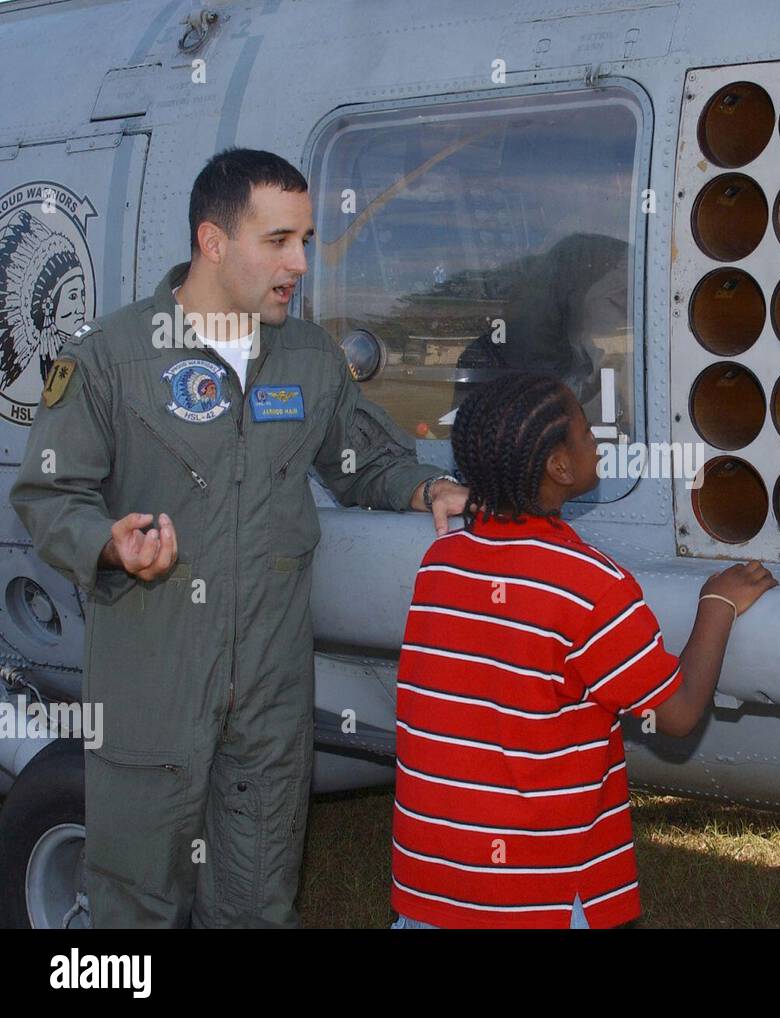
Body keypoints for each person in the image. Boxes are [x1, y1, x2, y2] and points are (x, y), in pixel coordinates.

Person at [10, 147, 468, 928]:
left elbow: (363, 460)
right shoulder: (113, 358)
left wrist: (425, 485)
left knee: (257, 901)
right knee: (133, 904)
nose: (299, 262)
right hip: (152, 688)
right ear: (213, 242)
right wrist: (108, 541)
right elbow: (48, 493)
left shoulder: (308, 359)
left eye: (305, 240)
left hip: (269, 693)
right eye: (278, 241)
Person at [390, 371, 777, 928]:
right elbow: (677, 712)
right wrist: (717, 603)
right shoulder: (591, 586)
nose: (598, 437)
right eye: (584, 431)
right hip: (539, 897)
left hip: (433, 883)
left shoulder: (441, 564)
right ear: (560, 467)